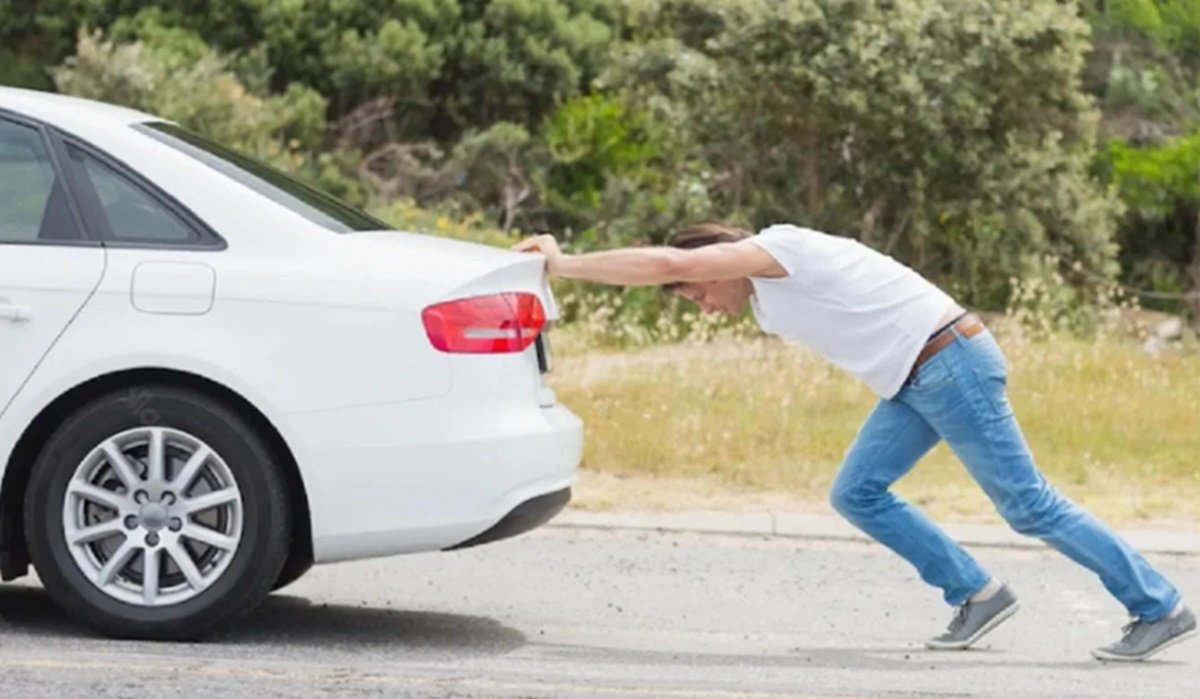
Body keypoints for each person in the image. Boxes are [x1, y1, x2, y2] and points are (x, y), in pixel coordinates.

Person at [514, 222, 1197, 662]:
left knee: (1028, 504)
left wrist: (563, 263)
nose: (703, 306)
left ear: (712, 263)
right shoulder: (766, 295)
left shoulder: (780, 250)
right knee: (857, 492)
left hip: (948, 362)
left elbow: (665, 259)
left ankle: (1159, 605)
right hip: (918, 377)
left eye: (694, 293)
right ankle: (978, 592)